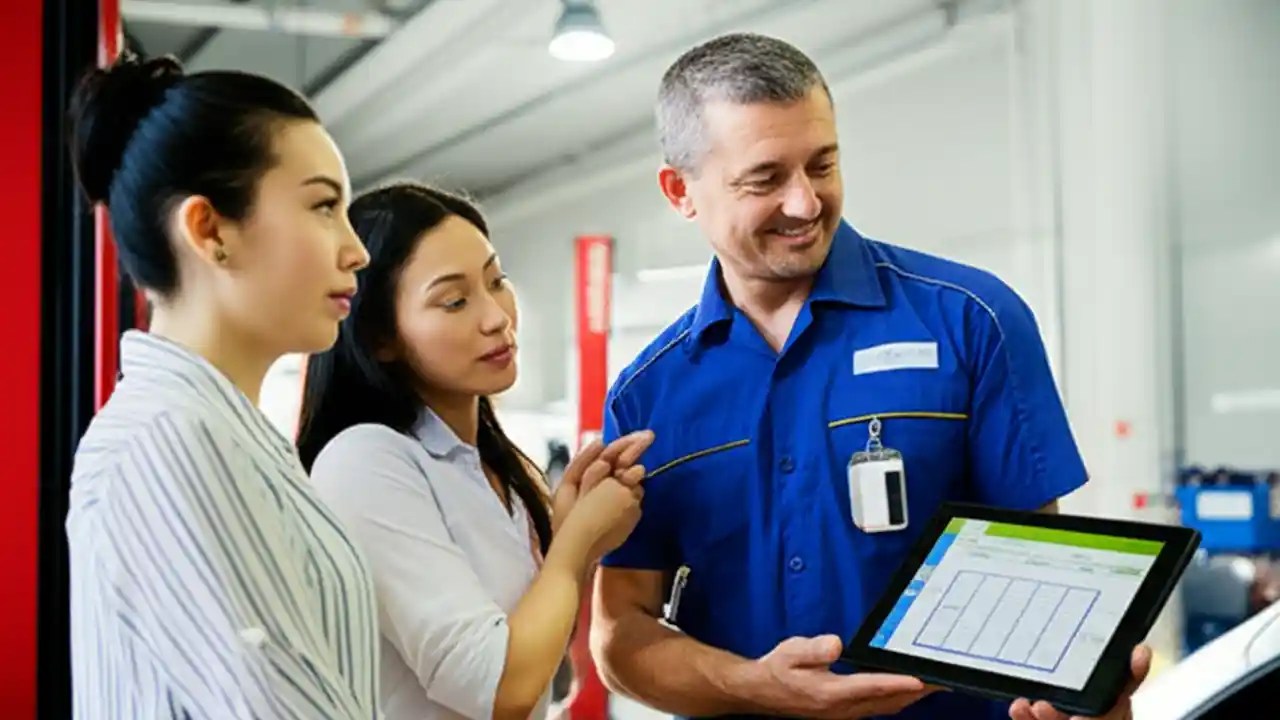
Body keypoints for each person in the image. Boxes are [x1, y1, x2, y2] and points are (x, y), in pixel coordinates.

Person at [589, 33, 1150, 720]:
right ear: (681, 191)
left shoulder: (971, 321)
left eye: (822, 165)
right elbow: (620, 633)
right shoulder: (649, 394)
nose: (805, 203)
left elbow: (1035, 575)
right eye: (765, 179)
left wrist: (1083, 691)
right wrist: (753, 684)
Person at [65, 52, 377, 719]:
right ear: (209, 230)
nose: (357, 250)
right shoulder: (170, 438)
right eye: (324, 206)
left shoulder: (221, 432)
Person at [296, 182, 655, 720]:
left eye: (497, 281)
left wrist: (563, 531)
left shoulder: (486, 466)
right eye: (455, 301)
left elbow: (539, 676)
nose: (496, 317)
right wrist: (575, 545)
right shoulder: (364, 460)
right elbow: (499, 690)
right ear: (378, 337)